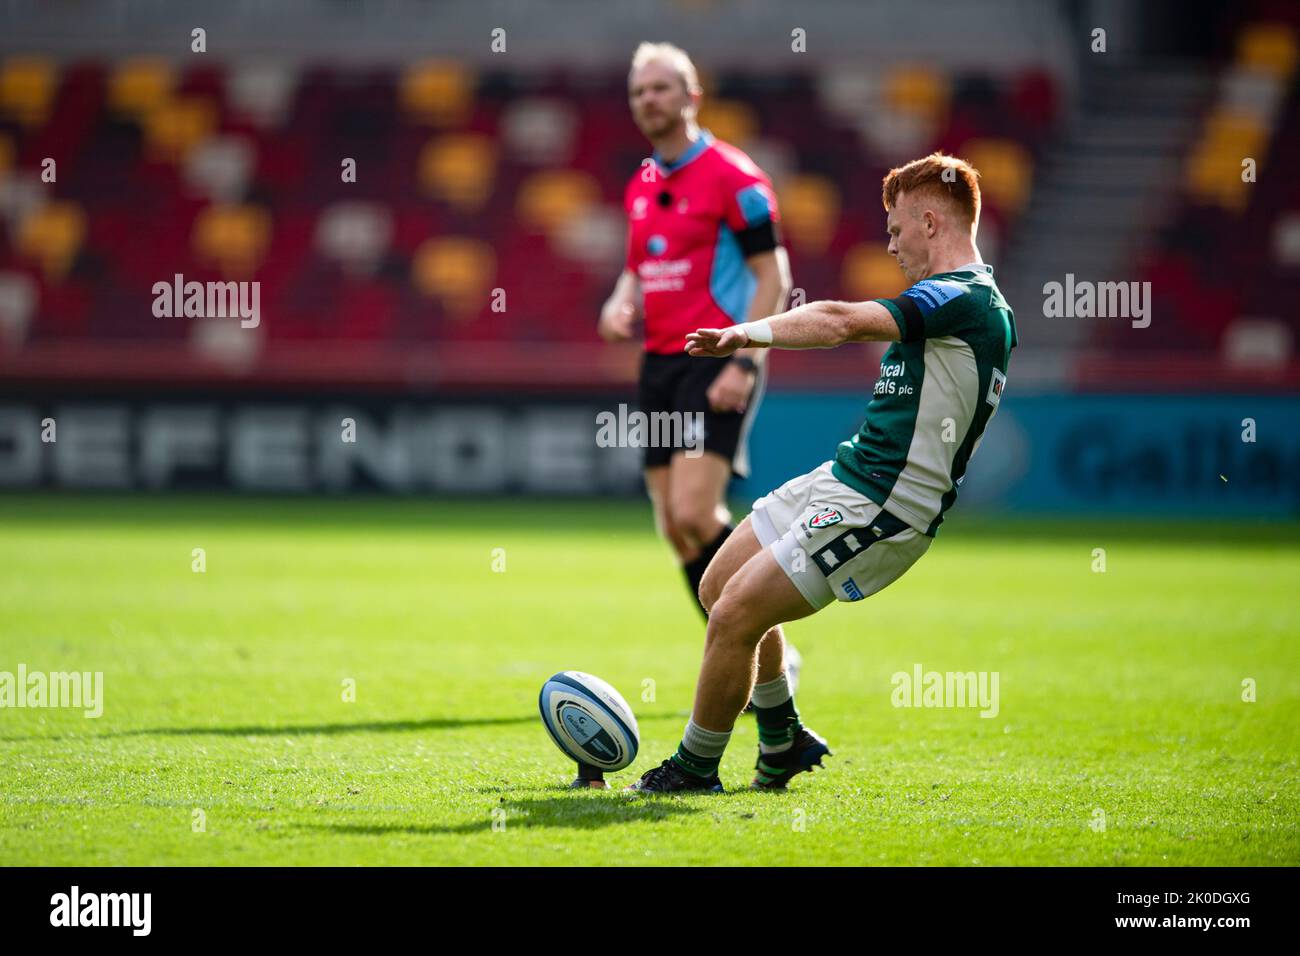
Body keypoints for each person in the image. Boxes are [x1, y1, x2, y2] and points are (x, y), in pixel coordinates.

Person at [629, 152, 1018, 792]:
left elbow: (839, 321)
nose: (890, 246)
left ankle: (696, 767)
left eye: (894, 231)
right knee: (716, 586)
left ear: (929, 221)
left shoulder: (967, 298)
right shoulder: (955, 300)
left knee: (732, 617)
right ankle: (781, 738)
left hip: (887, 506)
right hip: (848, 475)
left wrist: (746, 334)